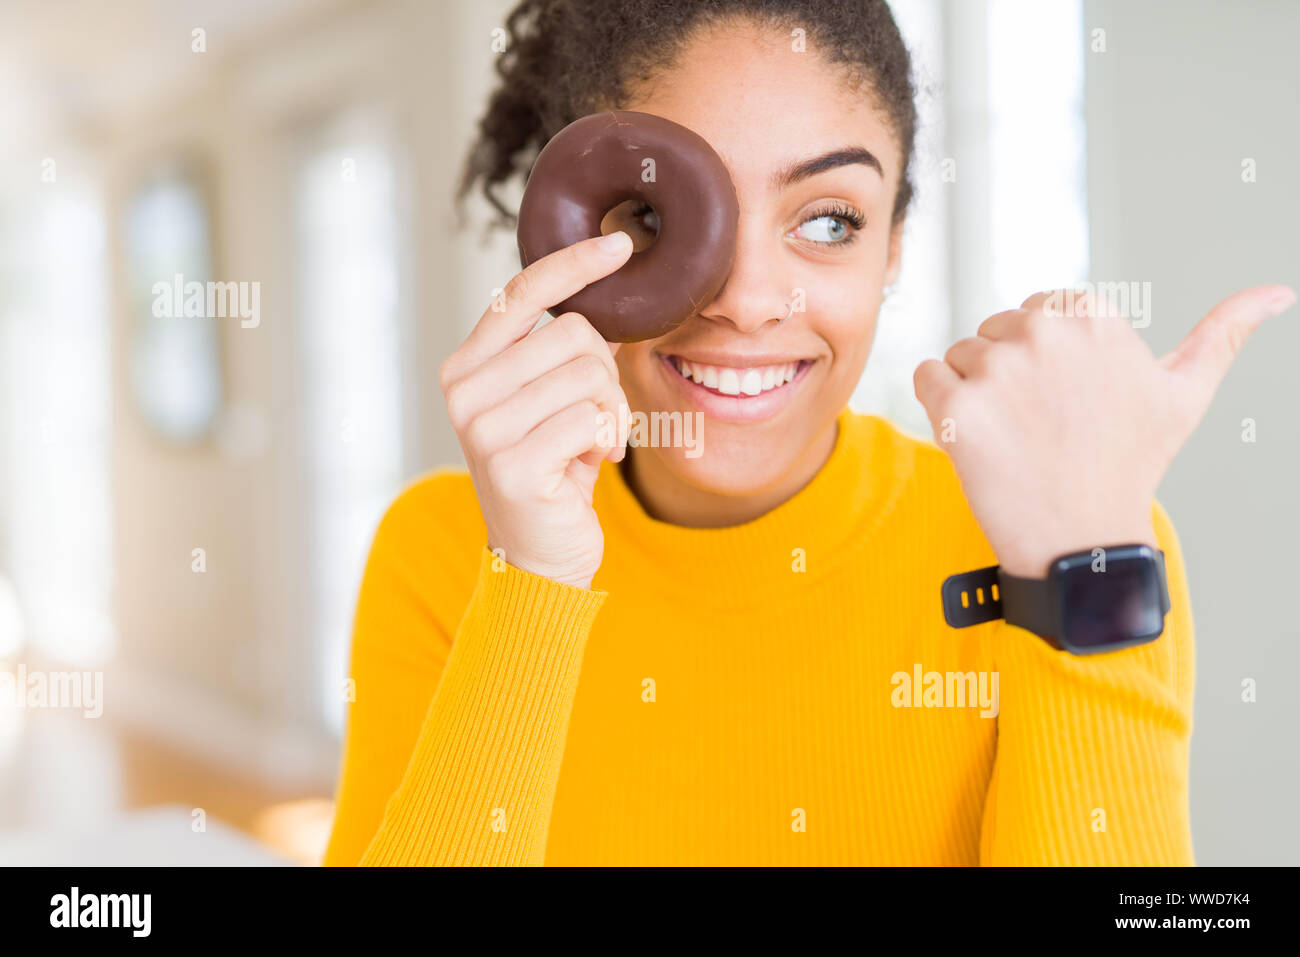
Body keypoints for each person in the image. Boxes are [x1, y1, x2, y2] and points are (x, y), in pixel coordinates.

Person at [322, 0, 1293, 866]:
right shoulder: (444, 553)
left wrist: (1089, 575)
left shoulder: (1068, 540)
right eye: (655, 218)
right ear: (569, 234)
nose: (745, 302)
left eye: (827, 222)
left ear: (891, 250)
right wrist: (531, 590)